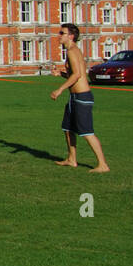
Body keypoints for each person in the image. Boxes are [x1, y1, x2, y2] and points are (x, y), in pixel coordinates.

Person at [52, 23, 110, 173]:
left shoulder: (72, 51)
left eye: (62, 33)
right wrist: (61, 74)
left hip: (82, 97)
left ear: (70, 36)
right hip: (74, 97)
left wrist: (60, 89)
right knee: (67, 128)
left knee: (87, 132)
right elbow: (75, 74)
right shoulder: (71, 51)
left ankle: (103, 165)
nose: (59, 36)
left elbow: (77, 74)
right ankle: (72, 159)